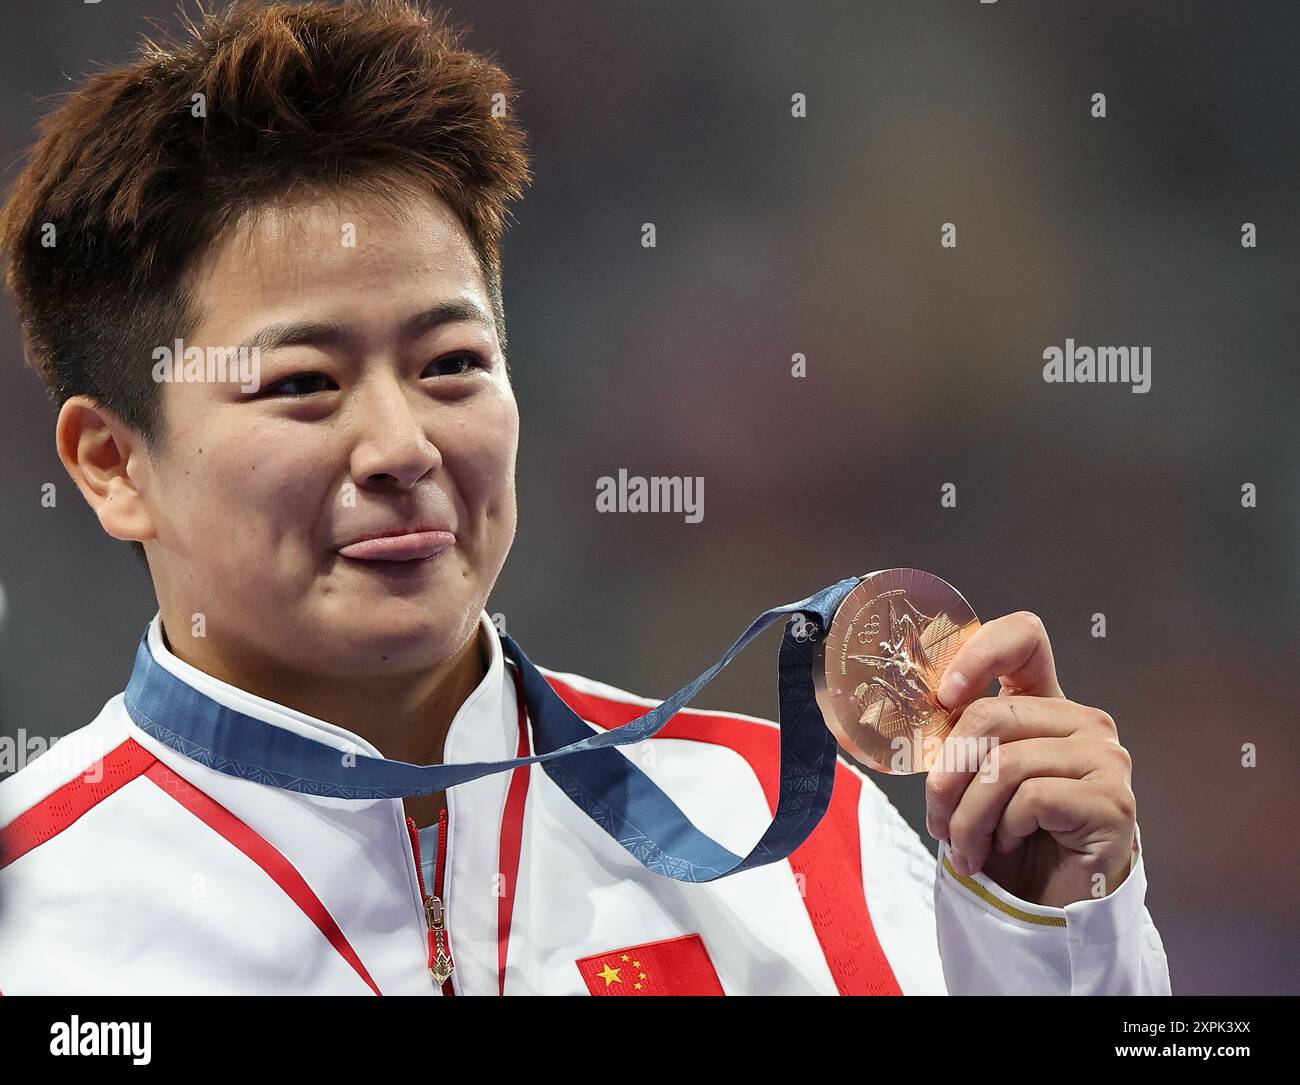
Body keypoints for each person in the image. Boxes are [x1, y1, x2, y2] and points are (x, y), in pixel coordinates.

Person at [0, 0, 1170, 995]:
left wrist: (1057, 939)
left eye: (451, 362)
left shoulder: (798, 833)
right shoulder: (32, 911)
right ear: (113, 462)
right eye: (303, 382)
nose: (402, 443)